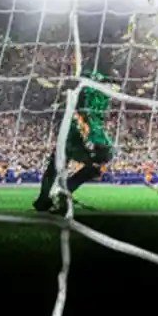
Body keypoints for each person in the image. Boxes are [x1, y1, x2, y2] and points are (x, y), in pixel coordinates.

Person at [33, 73, 113, 214]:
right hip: (85, 138)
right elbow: (88, 117)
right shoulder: (98, 98)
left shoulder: (91, 97)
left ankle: (48, 198)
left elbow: (85, 115)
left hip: (77, 137)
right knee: (93, 165)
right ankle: (58, 194)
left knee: (55, 165)